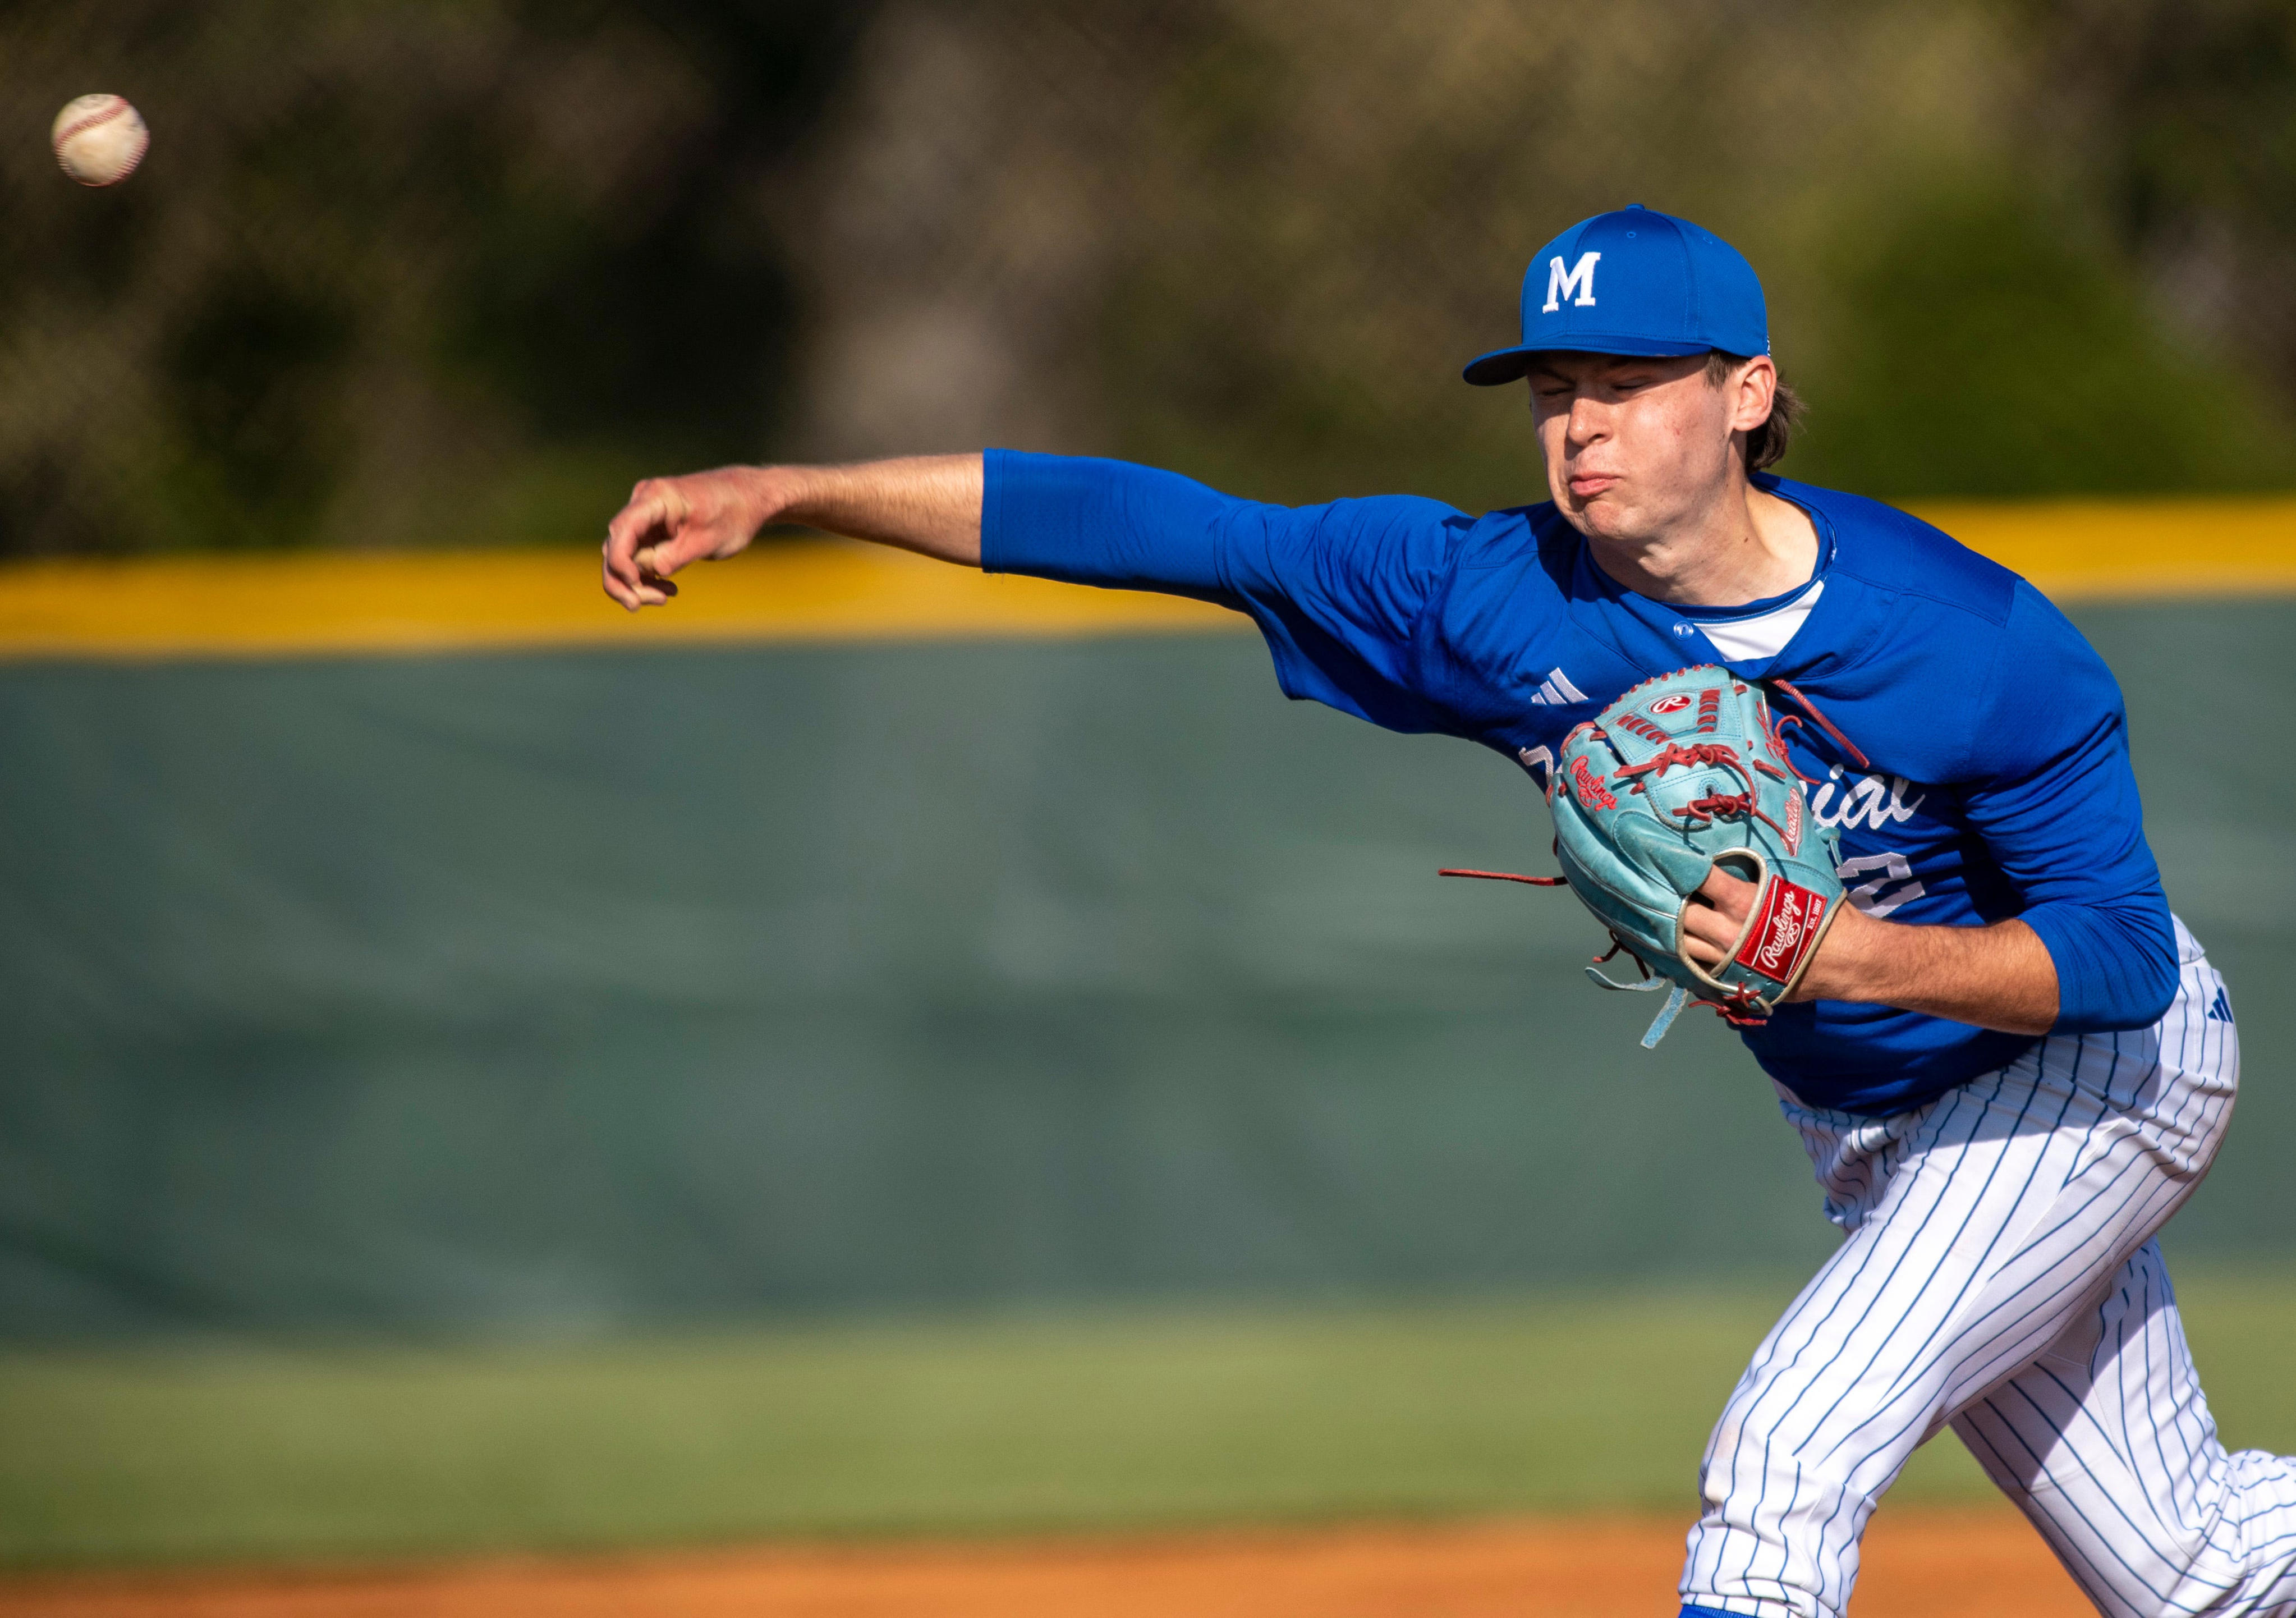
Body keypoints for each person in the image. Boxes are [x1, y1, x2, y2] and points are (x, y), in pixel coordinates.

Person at [600, 205, 2296, 1618]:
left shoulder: (1970, 635)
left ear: (1747, 393)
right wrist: (793, 490)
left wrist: (1832, 948)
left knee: (1788, 1451)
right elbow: (1171, 527)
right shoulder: (1490, 598)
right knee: (2195, 1568)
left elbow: (2119, 957)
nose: (1580, 426)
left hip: (2100, 1071)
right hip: (1873, 1124)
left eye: (1628, 383)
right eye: (1554, 388)